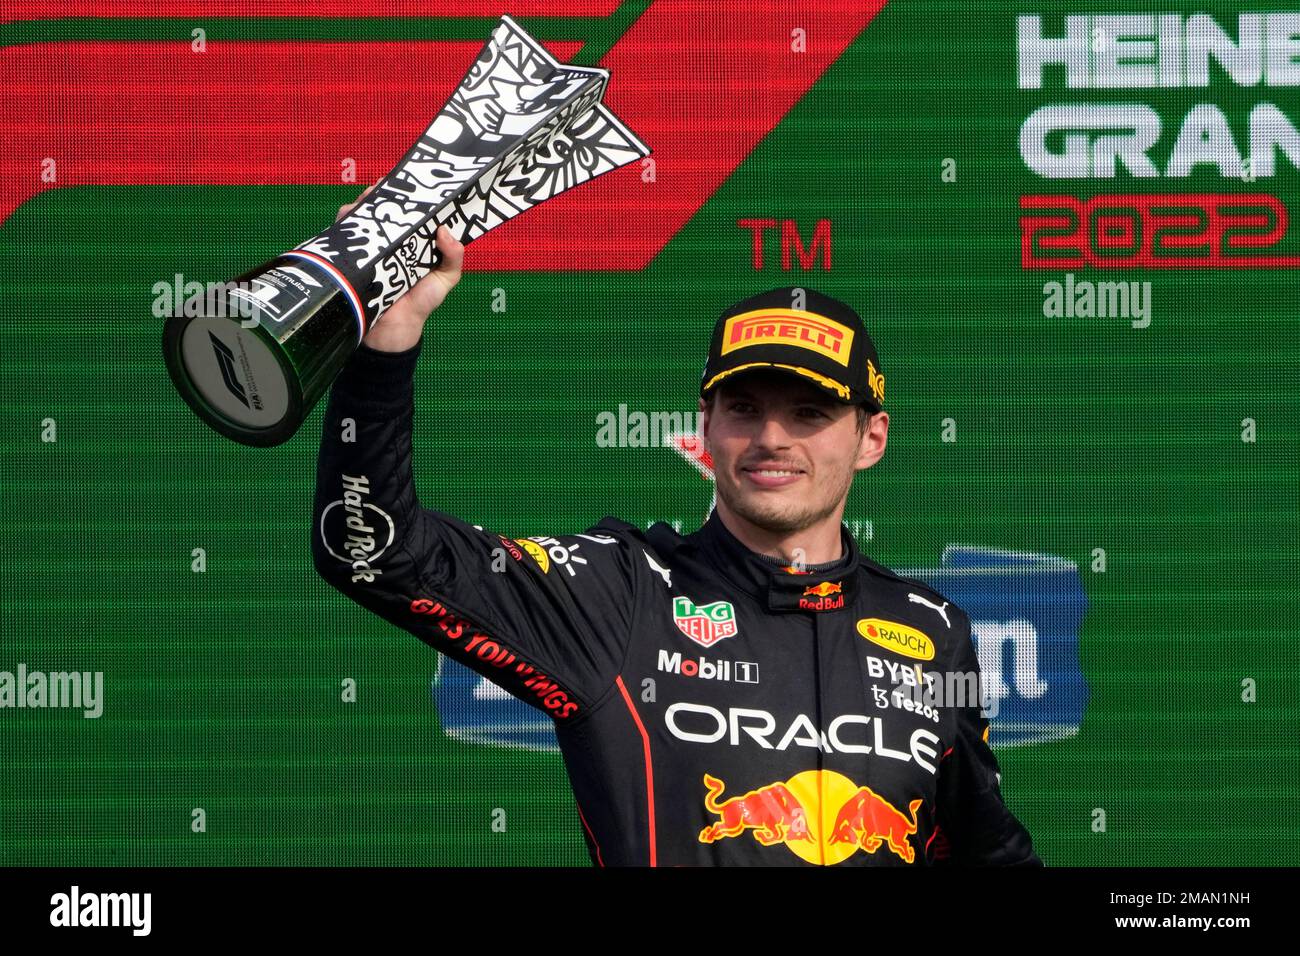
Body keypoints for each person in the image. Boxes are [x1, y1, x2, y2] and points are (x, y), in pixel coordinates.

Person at [311, 189, 1043, 867]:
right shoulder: (622, 594)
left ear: (872, 438)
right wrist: (386, 345)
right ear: (707, 428)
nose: (772, 438)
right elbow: (372, 551)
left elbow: (986, 847)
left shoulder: (933, 629)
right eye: (744, 407)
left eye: (811, 414)